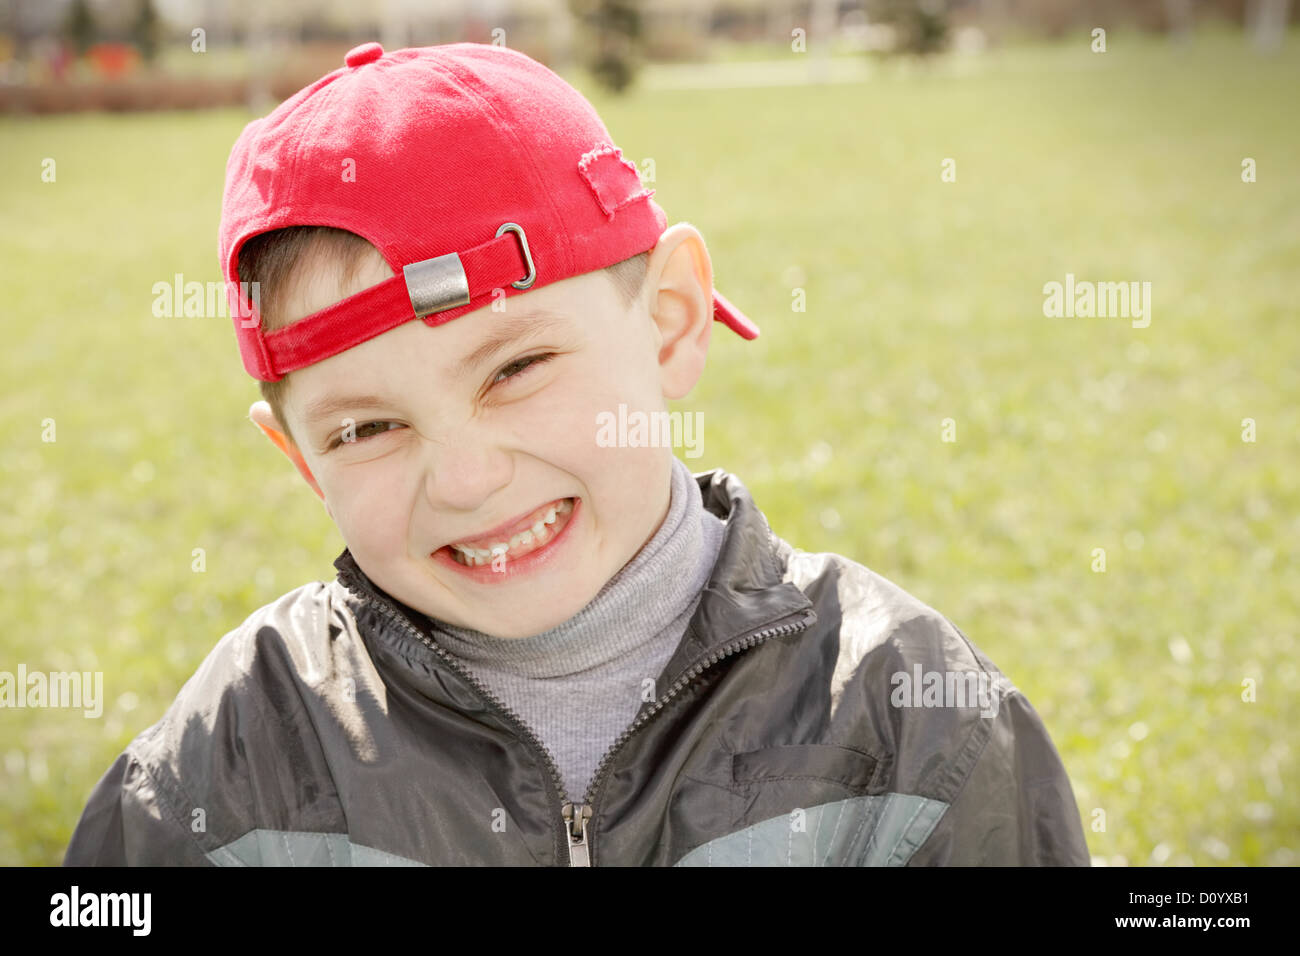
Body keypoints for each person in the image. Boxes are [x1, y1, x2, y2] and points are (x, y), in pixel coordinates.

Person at [64, 41, 1089, 866]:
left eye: (515, 368)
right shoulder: (229, 763)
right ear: (300, 460)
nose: (466, 479)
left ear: (671, 319)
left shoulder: (910, 719)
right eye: (366, 429)